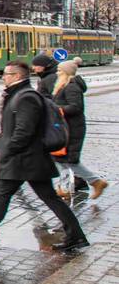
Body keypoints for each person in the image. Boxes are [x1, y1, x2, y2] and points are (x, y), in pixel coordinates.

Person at [0, 60, 88, 253]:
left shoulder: (26, 97)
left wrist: (8, 151)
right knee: (43, 197)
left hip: (25, 159)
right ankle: (76, 235)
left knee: (8, 194)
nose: (3, 77)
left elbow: (23, 132)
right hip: (27, 159)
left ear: (17, 76)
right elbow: (9, 130)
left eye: (6, 74)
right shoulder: (19, 95)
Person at [51, 60, 108, 201]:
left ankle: (96, 182)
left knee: (70, 160)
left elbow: (75, 107)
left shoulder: (71, 87)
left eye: (59, 70)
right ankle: (63, 188)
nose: (57, 72)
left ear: (66, 72)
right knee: (60, 159)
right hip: (65, 128)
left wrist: (57, 109)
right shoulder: (64, 85)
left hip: (72, 129)